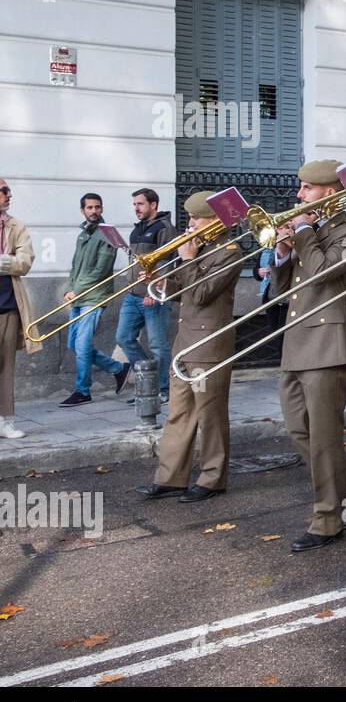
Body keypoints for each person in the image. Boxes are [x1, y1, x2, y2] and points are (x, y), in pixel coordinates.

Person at [273, 160, 346, 551]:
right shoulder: (310, 234)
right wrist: (282, 253)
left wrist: (301, 232)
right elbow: (281, 288)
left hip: (326, 345)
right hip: (296, 342)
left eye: (306, 189)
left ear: (328, 193)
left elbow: (323, 274)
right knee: (299, 430)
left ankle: (327, 519)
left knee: (322, 438)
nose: (298, 196)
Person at [135, 192, 243, 502]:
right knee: (178, 413)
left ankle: (213, 478)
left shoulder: (229, 253)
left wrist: (188, 259)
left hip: (209, 345)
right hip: (185, 342)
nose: (190, 223)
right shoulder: (199, 248)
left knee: (210, 414)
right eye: (191, 218)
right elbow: (182, 291)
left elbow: (202, 294)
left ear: (214, 221)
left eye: (197, 218)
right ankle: (170, 477)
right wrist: (157, 279)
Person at [60, 193, 129, 407]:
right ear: (82, 210)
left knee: (81, 345)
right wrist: (70, 288)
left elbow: (101, 270)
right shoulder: (83, 235)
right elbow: (75, 266)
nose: (94, 211)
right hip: (79, 296)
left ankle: (83, 390)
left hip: (95, 296)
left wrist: (77, 290)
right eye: (89, 208)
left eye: (97, 207)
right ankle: (118, 369)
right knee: (74, 344)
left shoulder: (107, 234)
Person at [116, 188, 176, 403]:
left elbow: (168, 262)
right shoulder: (137, 230)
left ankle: (162, 389)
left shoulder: (164, 228)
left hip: (153, 295)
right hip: (133, 295)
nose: (136, 208)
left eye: (140, 204)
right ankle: (148, 381)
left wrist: (156, 290)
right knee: (123, 337)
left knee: (158, 345)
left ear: (153, 205)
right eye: (134, 205)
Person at [0, 178, 37, 438]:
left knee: (5, 366)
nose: (9, 195)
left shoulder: (16, 226)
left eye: (8, 191)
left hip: (6, 307)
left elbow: (25, 261)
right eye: (4, 191)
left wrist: (3, 262)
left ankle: (3, 420)